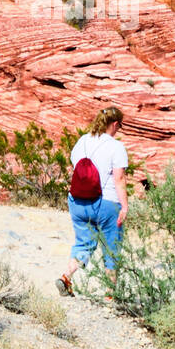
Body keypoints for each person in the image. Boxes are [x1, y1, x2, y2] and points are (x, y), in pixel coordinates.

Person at [57, 106, 129, 296]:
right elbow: (119, 179)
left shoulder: (82, 141)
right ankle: (110, 293)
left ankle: (66, 277)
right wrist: (125, 206)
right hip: (106, 203)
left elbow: (75, 166)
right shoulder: (116, 147)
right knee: (111, 248)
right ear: (114, 124)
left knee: (83, 243)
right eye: (119, 126)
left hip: (77, 202)